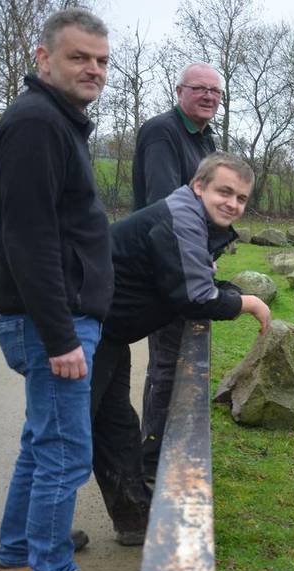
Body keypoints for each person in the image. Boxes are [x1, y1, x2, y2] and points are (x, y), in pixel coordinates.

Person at [0, 8, 129, 571]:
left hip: (60, 321)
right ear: (45, 60)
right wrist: (61, 335)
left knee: (40, 448)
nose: (93, 69)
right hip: (55, 324)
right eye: (79, 57)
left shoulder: (56, 123)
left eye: (100, 60)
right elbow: (30, 240)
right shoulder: (37, 125)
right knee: (65, 457)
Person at [89, 152, 271, 544]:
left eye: (241, 198)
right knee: (63, 436)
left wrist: (224, 287)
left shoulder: (189, 217)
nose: (232, 204)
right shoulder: (180, 219)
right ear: (199, 186)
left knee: (116, 425)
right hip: (84, 330)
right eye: (225, 191)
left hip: (109, 333)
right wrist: (248, 303)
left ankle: (134, 519)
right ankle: (26, 550)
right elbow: (194, 297)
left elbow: (193, 280)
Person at [130, 62, 223, 490]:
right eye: (200, 89)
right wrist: (192, 257)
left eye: (215, 92)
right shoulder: (162, 132)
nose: (208, 97)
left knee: (189, 360)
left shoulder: (206, 139)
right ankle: (152, 466)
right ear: (180, 90)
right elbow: (165, 204)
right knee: (168, 364)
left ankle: (177, 450)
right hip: (166, 268)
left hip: (192, 263)